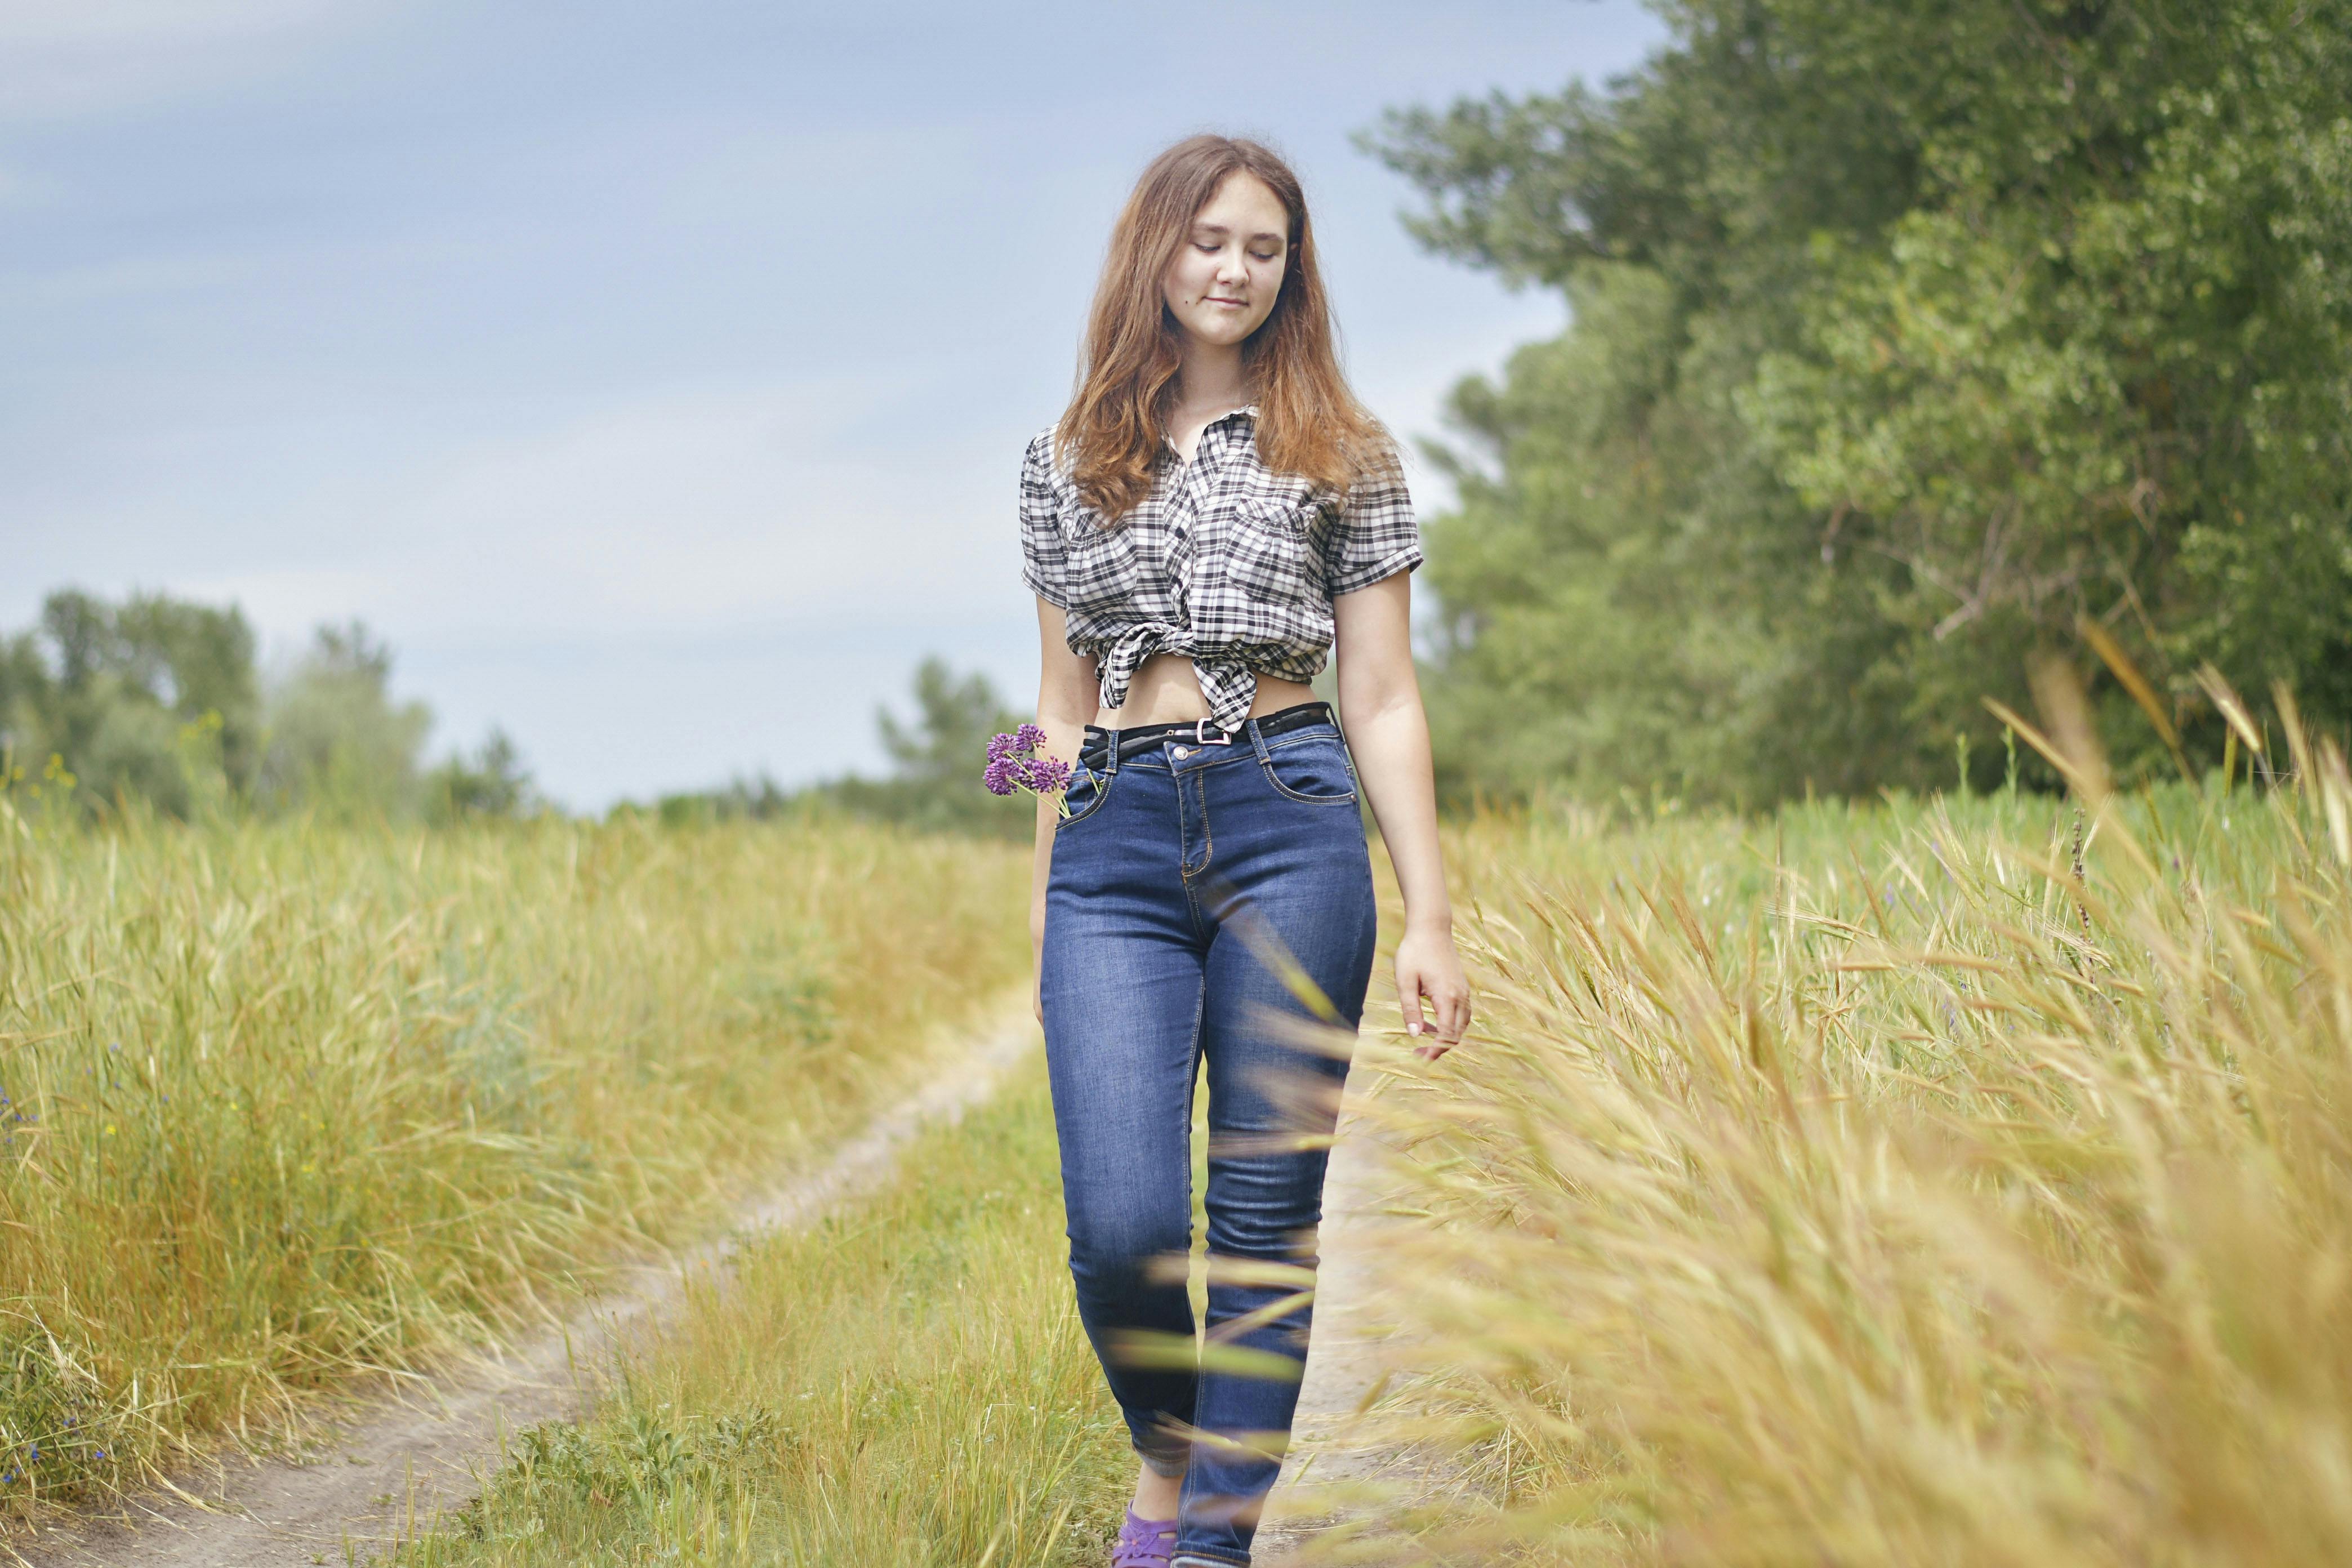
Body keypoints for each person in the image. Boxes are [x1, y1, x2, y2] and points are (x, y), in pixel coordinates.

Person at [1021, 133, 1472, 1568]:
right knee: (1123, 1228)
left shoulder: (1347, 451)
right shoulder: (1058, 462)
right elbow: (1045, 708)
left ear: (1294, 272)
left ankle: (1209, 1547)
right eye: (1209, 239)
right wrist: (1042, 896)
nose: (1234, 268)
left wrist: (1431, 918)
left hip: (1292, 819)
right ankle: (1173, 1458)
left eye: (1264, 247)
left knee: (1263, 1229)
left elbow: (1386, 699)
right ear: (1156, 250)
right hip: (1113, 835)